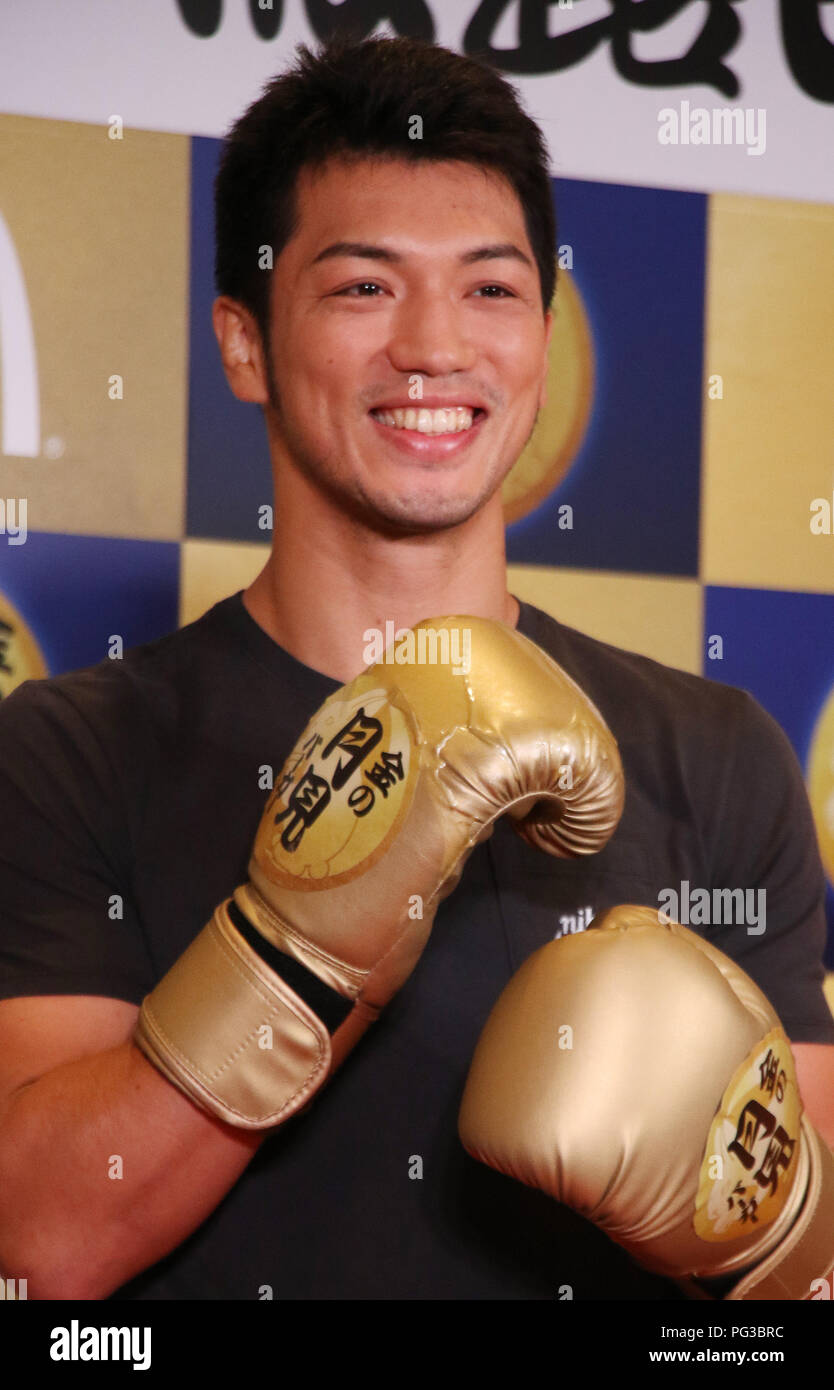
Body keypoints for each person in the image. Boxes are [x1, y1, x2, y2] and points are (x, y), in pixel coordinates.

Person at [0, 33, 831, 1302]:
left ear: (543, 345)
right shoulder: (69, 749)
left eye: (492, 290)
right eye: (364, 288)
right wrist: (310, 936)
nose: (436, 346)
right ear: (243, 343)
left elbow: (805, 1271)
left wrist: (747, 1227)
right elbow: (47, 1236)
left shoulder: (712, 754)